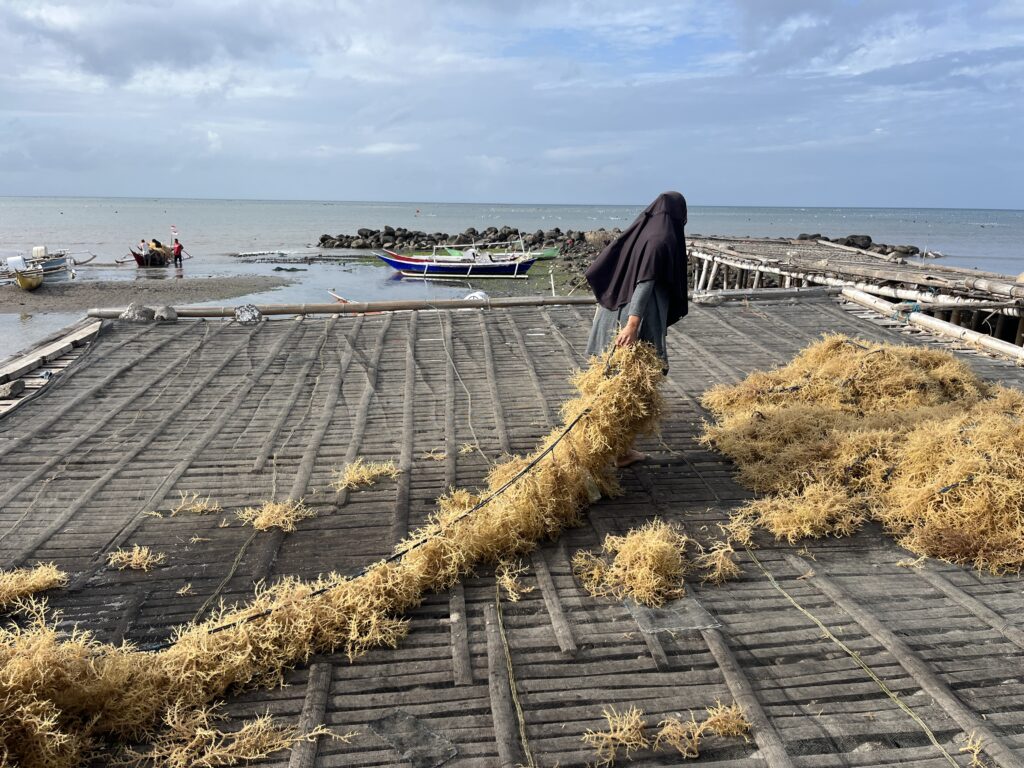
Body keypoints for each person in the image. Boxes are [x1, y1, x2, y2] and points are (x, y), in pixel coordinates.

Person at [584, 191, 688, 467]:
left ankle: (613, 447)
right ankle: (619, 451)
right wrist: (632, 325)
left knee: (613, 383)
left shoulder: (641, 235)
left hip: (611, 315)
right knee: (630, 386)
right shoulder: (661, 240)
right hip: (634, 319)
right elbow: (645, 283)